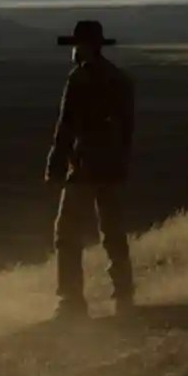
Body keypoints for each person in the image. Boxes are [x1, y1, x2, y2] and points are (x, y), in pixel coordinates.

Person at [45, 20, 136, 320]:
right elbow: (127, 130)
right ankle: (124, 296)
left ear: (85, 46)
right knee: (113, 232)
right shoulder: (120, 79)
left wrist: (56, 163)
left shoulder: (79, 78)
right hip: (111, 167)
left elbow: (66, 125)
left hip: (85, 167)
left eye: (77, 45)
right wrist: (120, 161)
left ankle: (70, 302)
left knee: (67, 233)